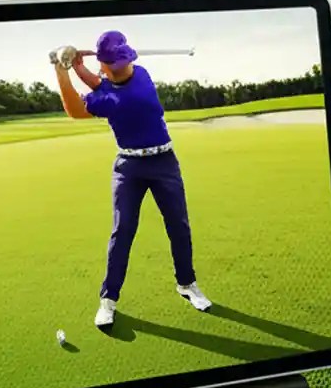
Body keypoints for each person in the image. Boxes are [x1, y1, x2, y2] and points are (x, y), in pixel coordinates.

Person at [52, 30, 212, 330]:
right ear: (110, 65)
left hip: (163, 161)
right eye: (120, 62)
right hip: (129, 166)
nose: (128, 66)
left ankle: (186, 284)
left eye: (126, 61)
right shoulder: (117, 89)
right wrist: (68, 67)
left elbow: (92, 92)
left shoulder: (136, 82)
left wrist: (68, 66)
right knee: (122, 231)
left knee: (178, 225)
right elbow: (89, 94)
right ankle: (108, 300)